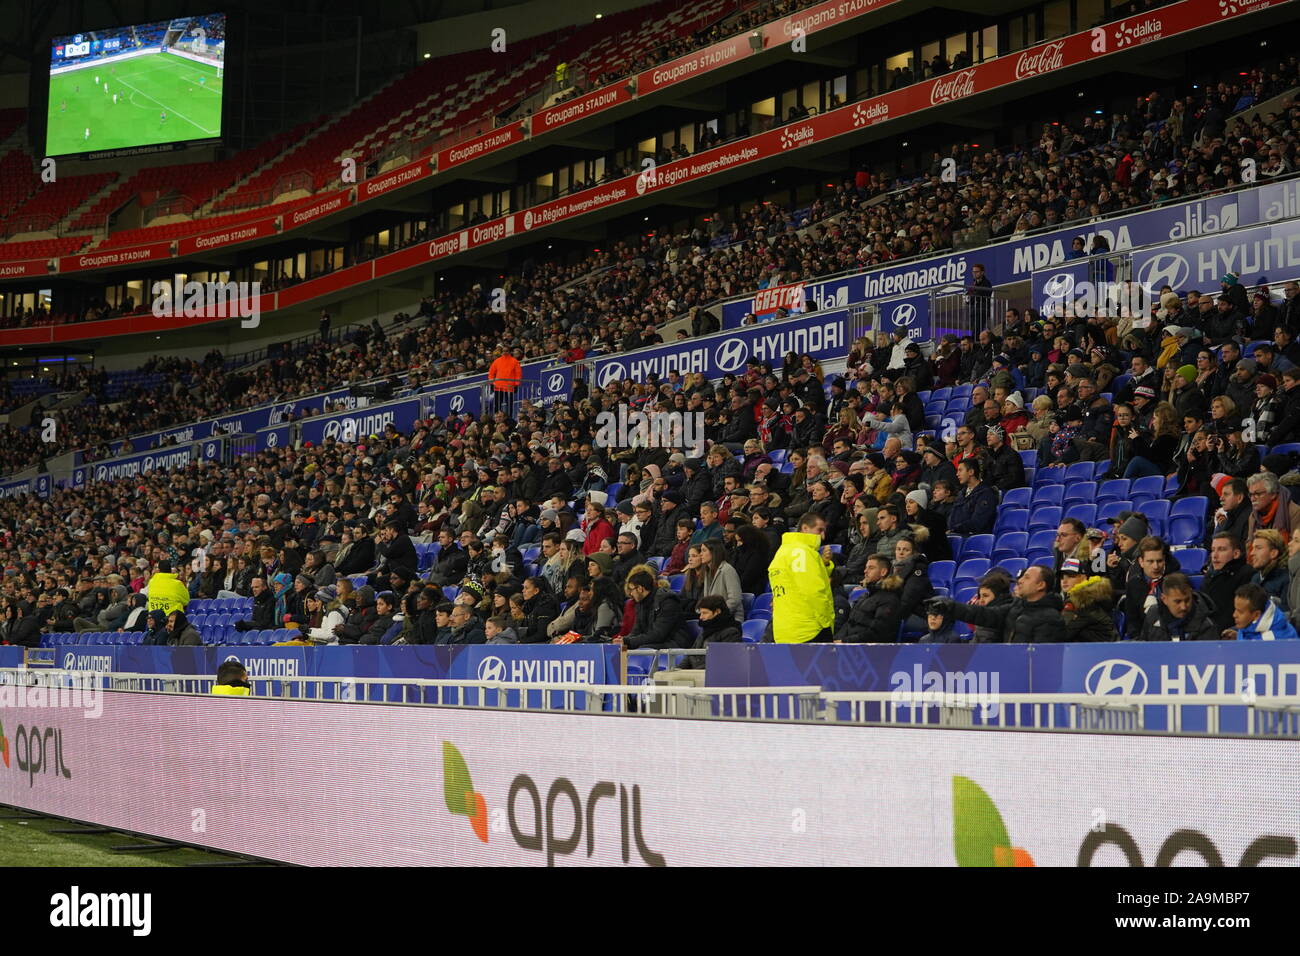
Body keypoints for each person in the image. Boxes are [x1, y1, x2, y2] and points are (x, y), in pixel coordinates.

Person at [938, 565, 1064, 643]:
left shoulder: (1051, 618)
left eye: (1027, 577)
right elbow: (986, 614)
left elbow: (1043, 658)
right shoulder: (1016, 606)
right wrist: (951, 607)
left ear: (1040, 585)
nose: (1020, 581)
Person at [769, 512, 835, 643]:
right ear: (805, 528)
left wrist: (825, 564)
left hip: (784, 631)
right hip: (809, 630)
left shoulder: (783, 551)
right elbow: (813, 591)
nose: (823, 536)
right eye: (819, 530)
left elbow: (797, 584)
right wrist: (827, 624)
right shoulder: (803, 553)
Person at [835, 554, 902, 643]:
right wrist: (836, 640)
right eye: (866, 567)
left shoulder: (889, 599)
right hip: (850, 647)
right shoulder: (866, 596)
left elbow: (877, 634)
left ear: (883, 572)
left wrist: (845, 641)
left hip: (868, 652)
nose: (865, 571)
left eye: (871, 568)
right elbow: (848, 624)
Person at [621, 569, 692, 649]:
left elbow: (658, 634)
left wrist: (628, 641)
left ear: (640, 588)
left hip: (674, 643)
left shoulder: (667, 601)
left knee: (643, 649)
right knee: (623, 648)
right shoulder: (640, 603)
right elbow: (636, 631)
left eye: (632, 589)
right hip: (658, 642)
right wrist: (623, 640)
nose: (630, 593)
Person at [1139, 573, 1218, 641]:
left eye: (1187, 600)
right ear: (1164, 599)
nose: (1183, 607)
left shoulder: (1205, 625)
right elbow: (1144, 646)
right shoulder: (1153, 614)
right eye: (1177, 602)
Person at [1059, 558, 1118, 642]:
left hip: (1102, 650)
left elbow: (1064, 634)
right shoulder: (1090, 597)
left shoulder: (1084, 601)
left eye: (1070, 576)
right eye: (1062, 577)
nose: (1064, 581)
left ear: (1083, 578)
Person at [1204, 533, 1252, 631]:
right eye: (1213, 550)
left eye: (1221, 549)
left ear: (1236, 554)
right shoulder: (1209, 576)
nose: (1215, 555)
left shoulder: (1246, 574)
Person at [1227, 583, 1300, 641]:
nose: (1234, 615)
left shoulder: (1269, 642)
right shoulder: (1251, 623)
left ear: (1256, 615)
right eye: (1235, 609)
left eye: (1240, 612)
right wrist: (1238, 637)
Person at [946, 459, 997, 535]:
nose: (957, 474)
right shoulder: (961, 494)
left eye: (960, 470)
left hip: (975, 537)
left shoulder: (985, 493)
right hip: (957, 534)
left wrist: (955, 529)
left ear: (971, 472)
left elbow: (978, 522)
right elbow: (952, 518)